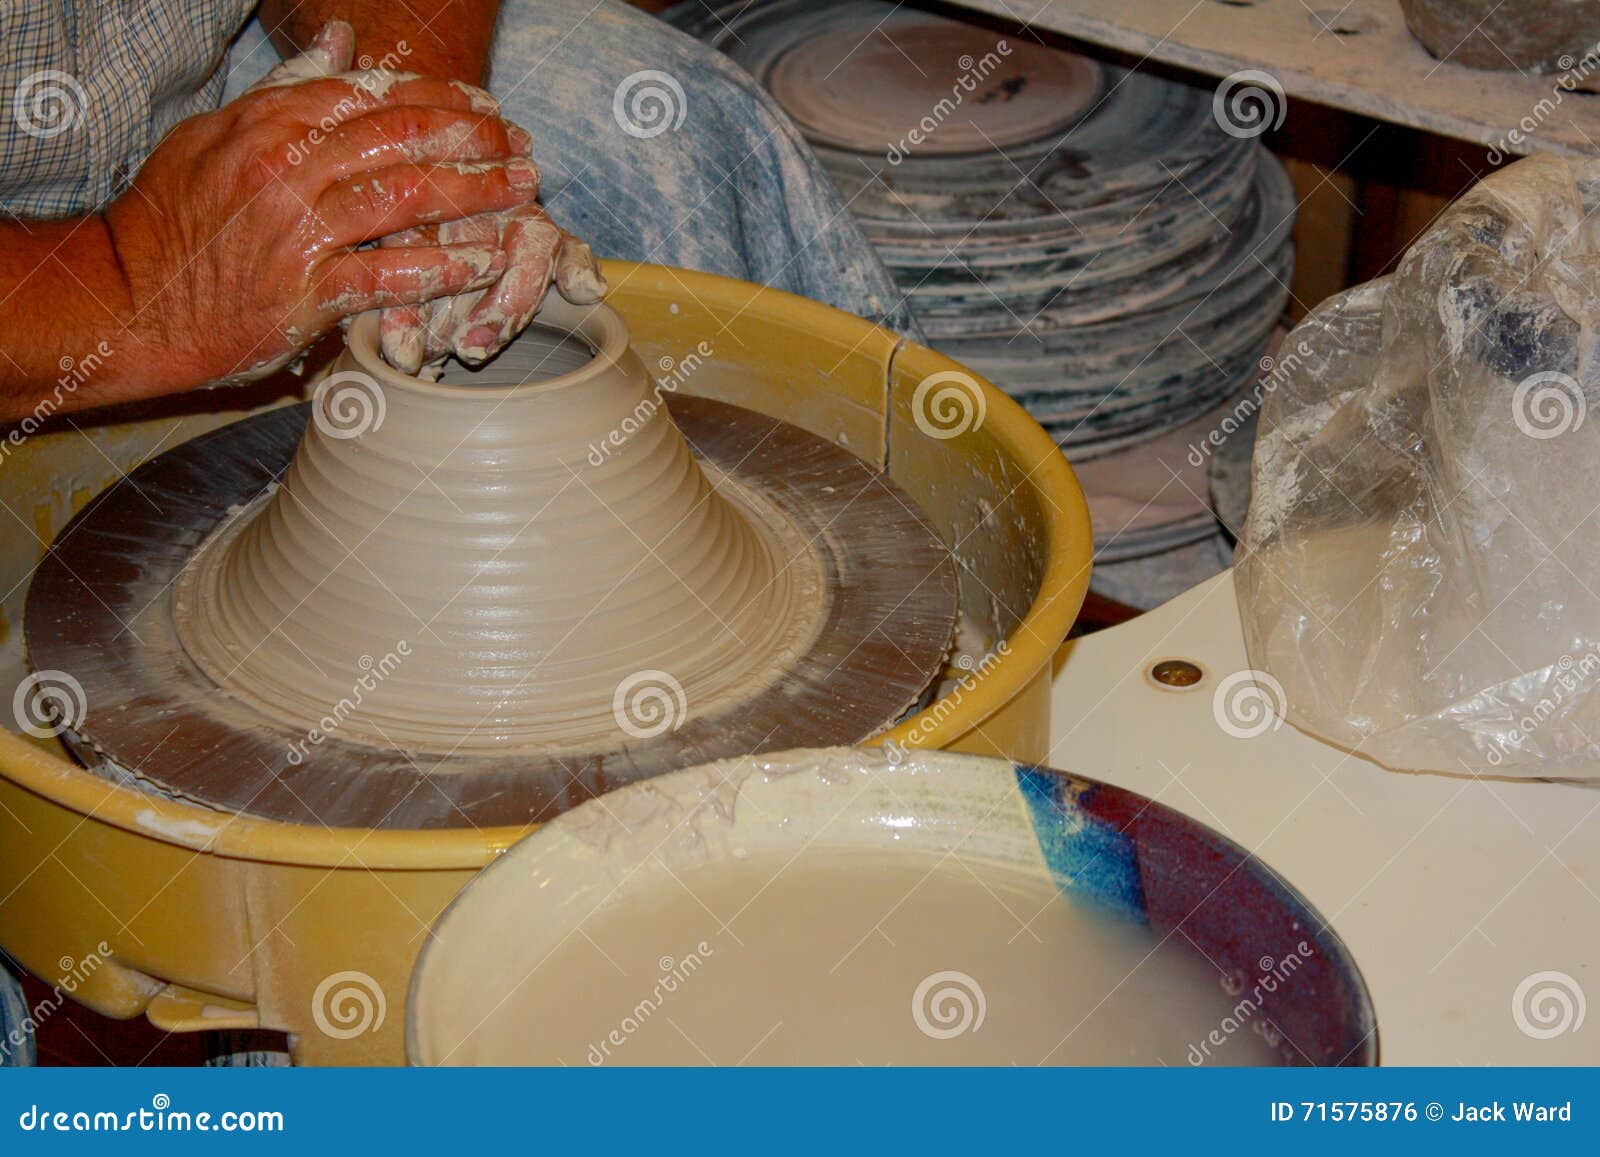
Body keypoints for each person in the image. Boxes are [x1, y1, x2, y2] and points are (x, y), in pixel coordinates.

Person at [0, 0, 912, 424]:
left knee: (659, 127)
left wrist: (410, 139)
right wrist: (138, 281)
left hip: (194, 99)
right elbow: (141, 272)